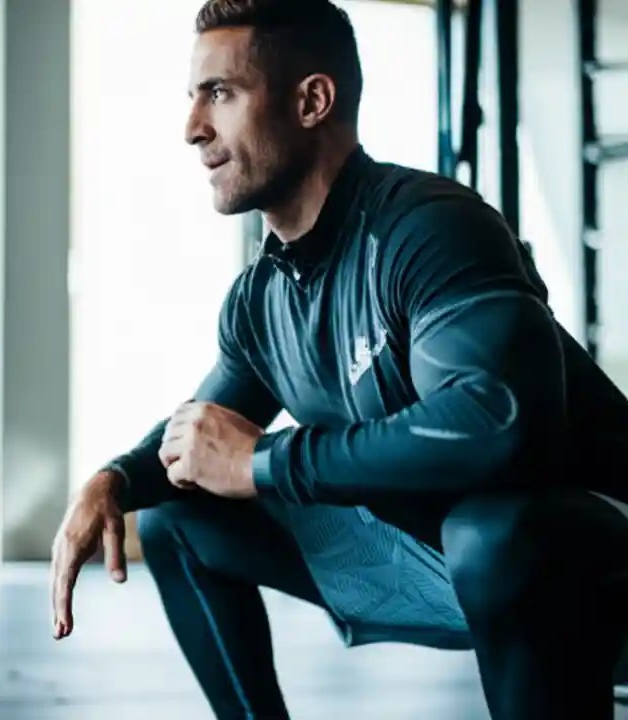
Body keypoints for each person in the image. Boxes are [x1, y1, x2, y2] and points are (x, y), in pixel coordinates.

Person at [49, 1, 628, 717]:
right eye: (194, 98)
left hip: (589, 558)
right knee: (179, 516)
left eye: (220, 93)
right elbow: (201, 440)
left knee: (494, 532)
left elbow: (498, 423)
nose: (194, 128)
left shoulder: (428, 224)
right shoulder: (263, 296)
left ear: (312, 101)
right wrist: (113, 480)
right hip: (444, 563)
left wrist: (264, 461)